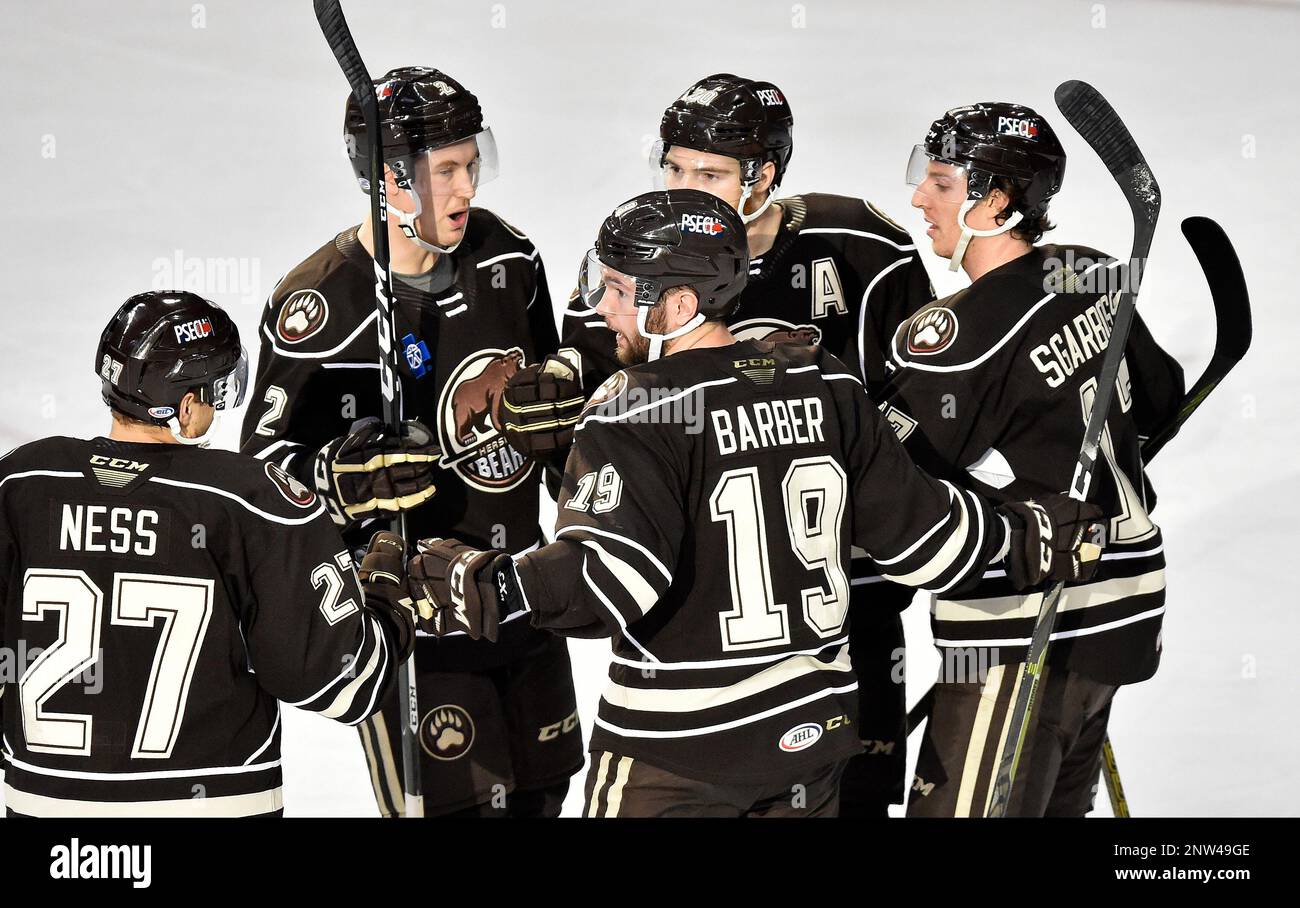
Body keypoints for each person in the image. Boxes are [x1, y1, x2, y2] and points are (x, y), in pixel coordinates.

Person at [406, 189, 1101, 818]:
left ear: (678, 306)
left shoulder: (633, 410)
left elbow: (609, 582)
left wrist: (485, 582)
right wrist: (1028, 535)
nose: (601, 310)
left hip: (677, 761)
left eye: (618, 290)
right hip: (814, 748)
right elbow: (926, 540)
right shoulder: (824, 384)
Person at [536, 72, 937, 815]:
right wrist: (545, 425)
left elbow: (929, 395)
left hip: (848, 600)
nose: (687, 187)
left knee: (860, 796)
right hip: (693, 608)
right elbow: (597, 459)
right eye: (675, 166)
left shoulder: (860, 246)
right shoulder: (636, 263)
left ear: (766, 176)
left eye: (711, 173)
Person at [239, 66, 583, 818]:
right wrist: (343, 477)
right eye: (445, 171)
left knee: (544, 799)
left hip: (524, 595)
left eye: (472, 164)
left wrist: (560, 423)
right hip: (418, 628)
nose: (466, 190)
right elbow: (260, 479)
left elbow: (556, 407)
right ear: (384, 178)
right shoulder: (322, 306)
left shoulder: (508, 257)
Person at [877, 102, 1185, 816]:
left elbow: (889, 488)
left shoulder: (954, 338)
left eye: (944, 184)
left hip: (1019, 633)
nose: (920, 198)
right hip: (1125, 611)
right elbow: (1160, 400)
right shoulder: (1090, 274)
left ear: (998, 201)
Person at [0, 291, 415, 817]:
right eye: (215, 389)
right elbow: (342, 684)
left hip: (48, 812)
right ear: (187, 405)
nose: (218, 403)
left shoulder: (25, 481)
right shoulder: (250, 499)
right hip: (208, 805)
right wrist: (386, 601)